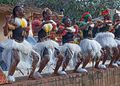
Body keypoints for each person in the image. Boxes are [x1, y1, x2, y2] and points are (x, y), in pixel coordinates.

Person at [1, 6, 40, 82]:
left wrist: (27, 30)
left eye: (23, 11)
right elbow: (5, 33)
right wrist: (6, 22)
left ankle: (31, 74)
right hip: (14, 43)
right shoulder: (13, 21)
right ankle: (10, 76)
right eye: (21, 11)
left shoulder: (24, 22)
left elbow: (25, 36)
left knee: (36, 57)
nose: (23, 12)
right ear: (17, 12)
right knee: (17, 59)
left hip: (23, 43)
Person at [33, 8, 65, 78]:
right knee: (47, 58)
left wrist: (60, 30)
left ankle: (55, 71)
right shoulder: (39, 22)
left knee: (61, 57)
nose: (50, 16)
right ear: (44, 14)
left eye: (51, 14)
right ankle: (38, 72)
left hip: (50, 42)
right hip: (42, 44)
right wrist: (43, 24)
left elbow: (56, 32)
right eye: (49, 14)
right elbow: (35, 31)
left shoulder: (51, 23)